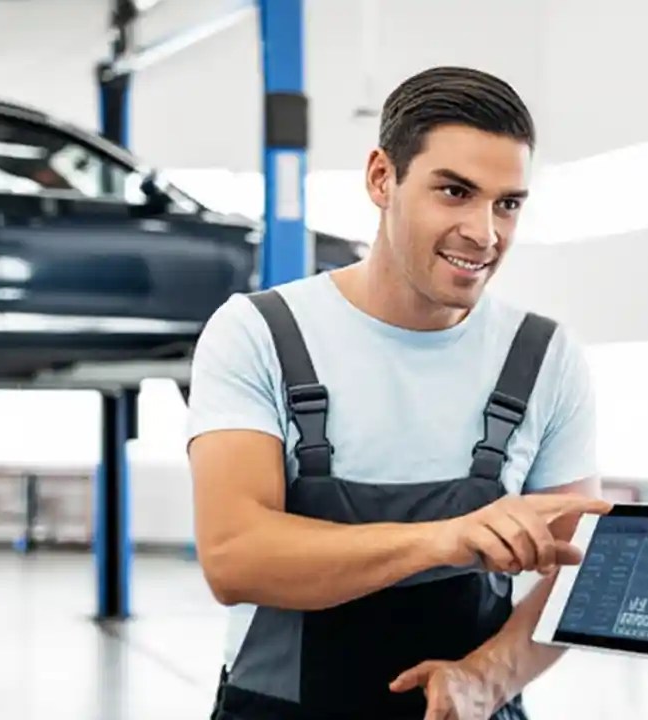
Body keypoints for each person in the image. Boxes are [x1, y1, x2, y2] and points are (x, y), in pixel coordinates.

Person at [186, 66, 610, 720]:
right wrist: (444, 541)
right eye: (455, 192)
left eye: (507, 204)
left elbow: (580, 568)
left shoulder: (545, 357)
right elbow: (234, 556)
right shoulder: (259, 333)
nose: (484, 233)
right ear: (382, 178)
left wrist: (486, 678)